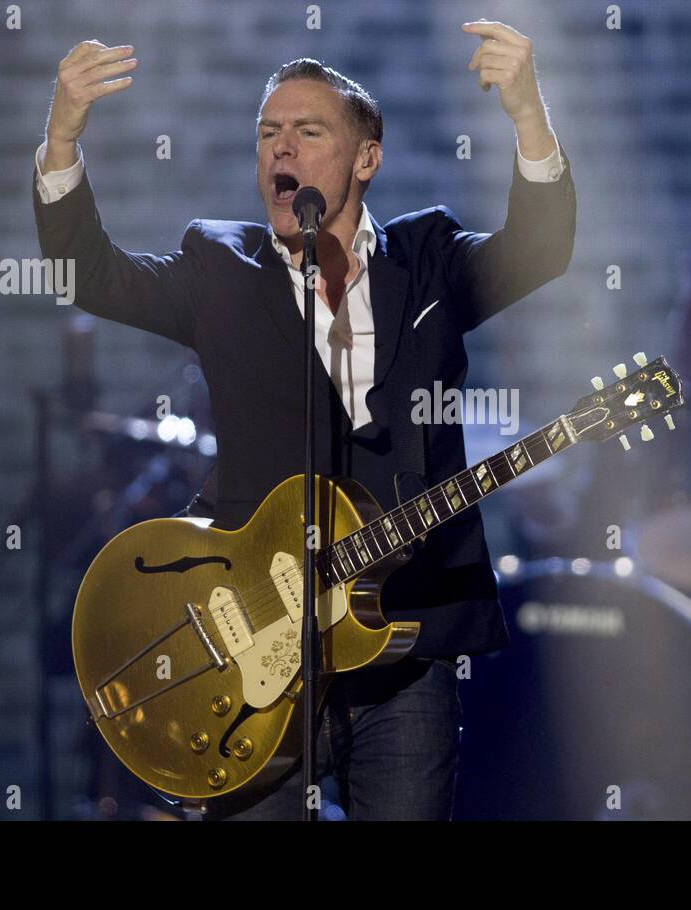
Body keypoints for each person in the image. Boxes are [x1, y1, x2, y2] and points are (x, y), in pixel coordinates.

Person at [32, 21, 576, 820]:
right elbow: (90, 275)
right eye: (267, 134)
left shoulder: (426, 260)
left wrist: (528, 110)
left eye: (307, 131)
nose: (280, 149)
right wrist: (61, 135)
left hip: (404, 641)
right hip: (252, 650)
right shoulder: (220, 269)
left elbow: (540, 247)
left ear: (366, 159)